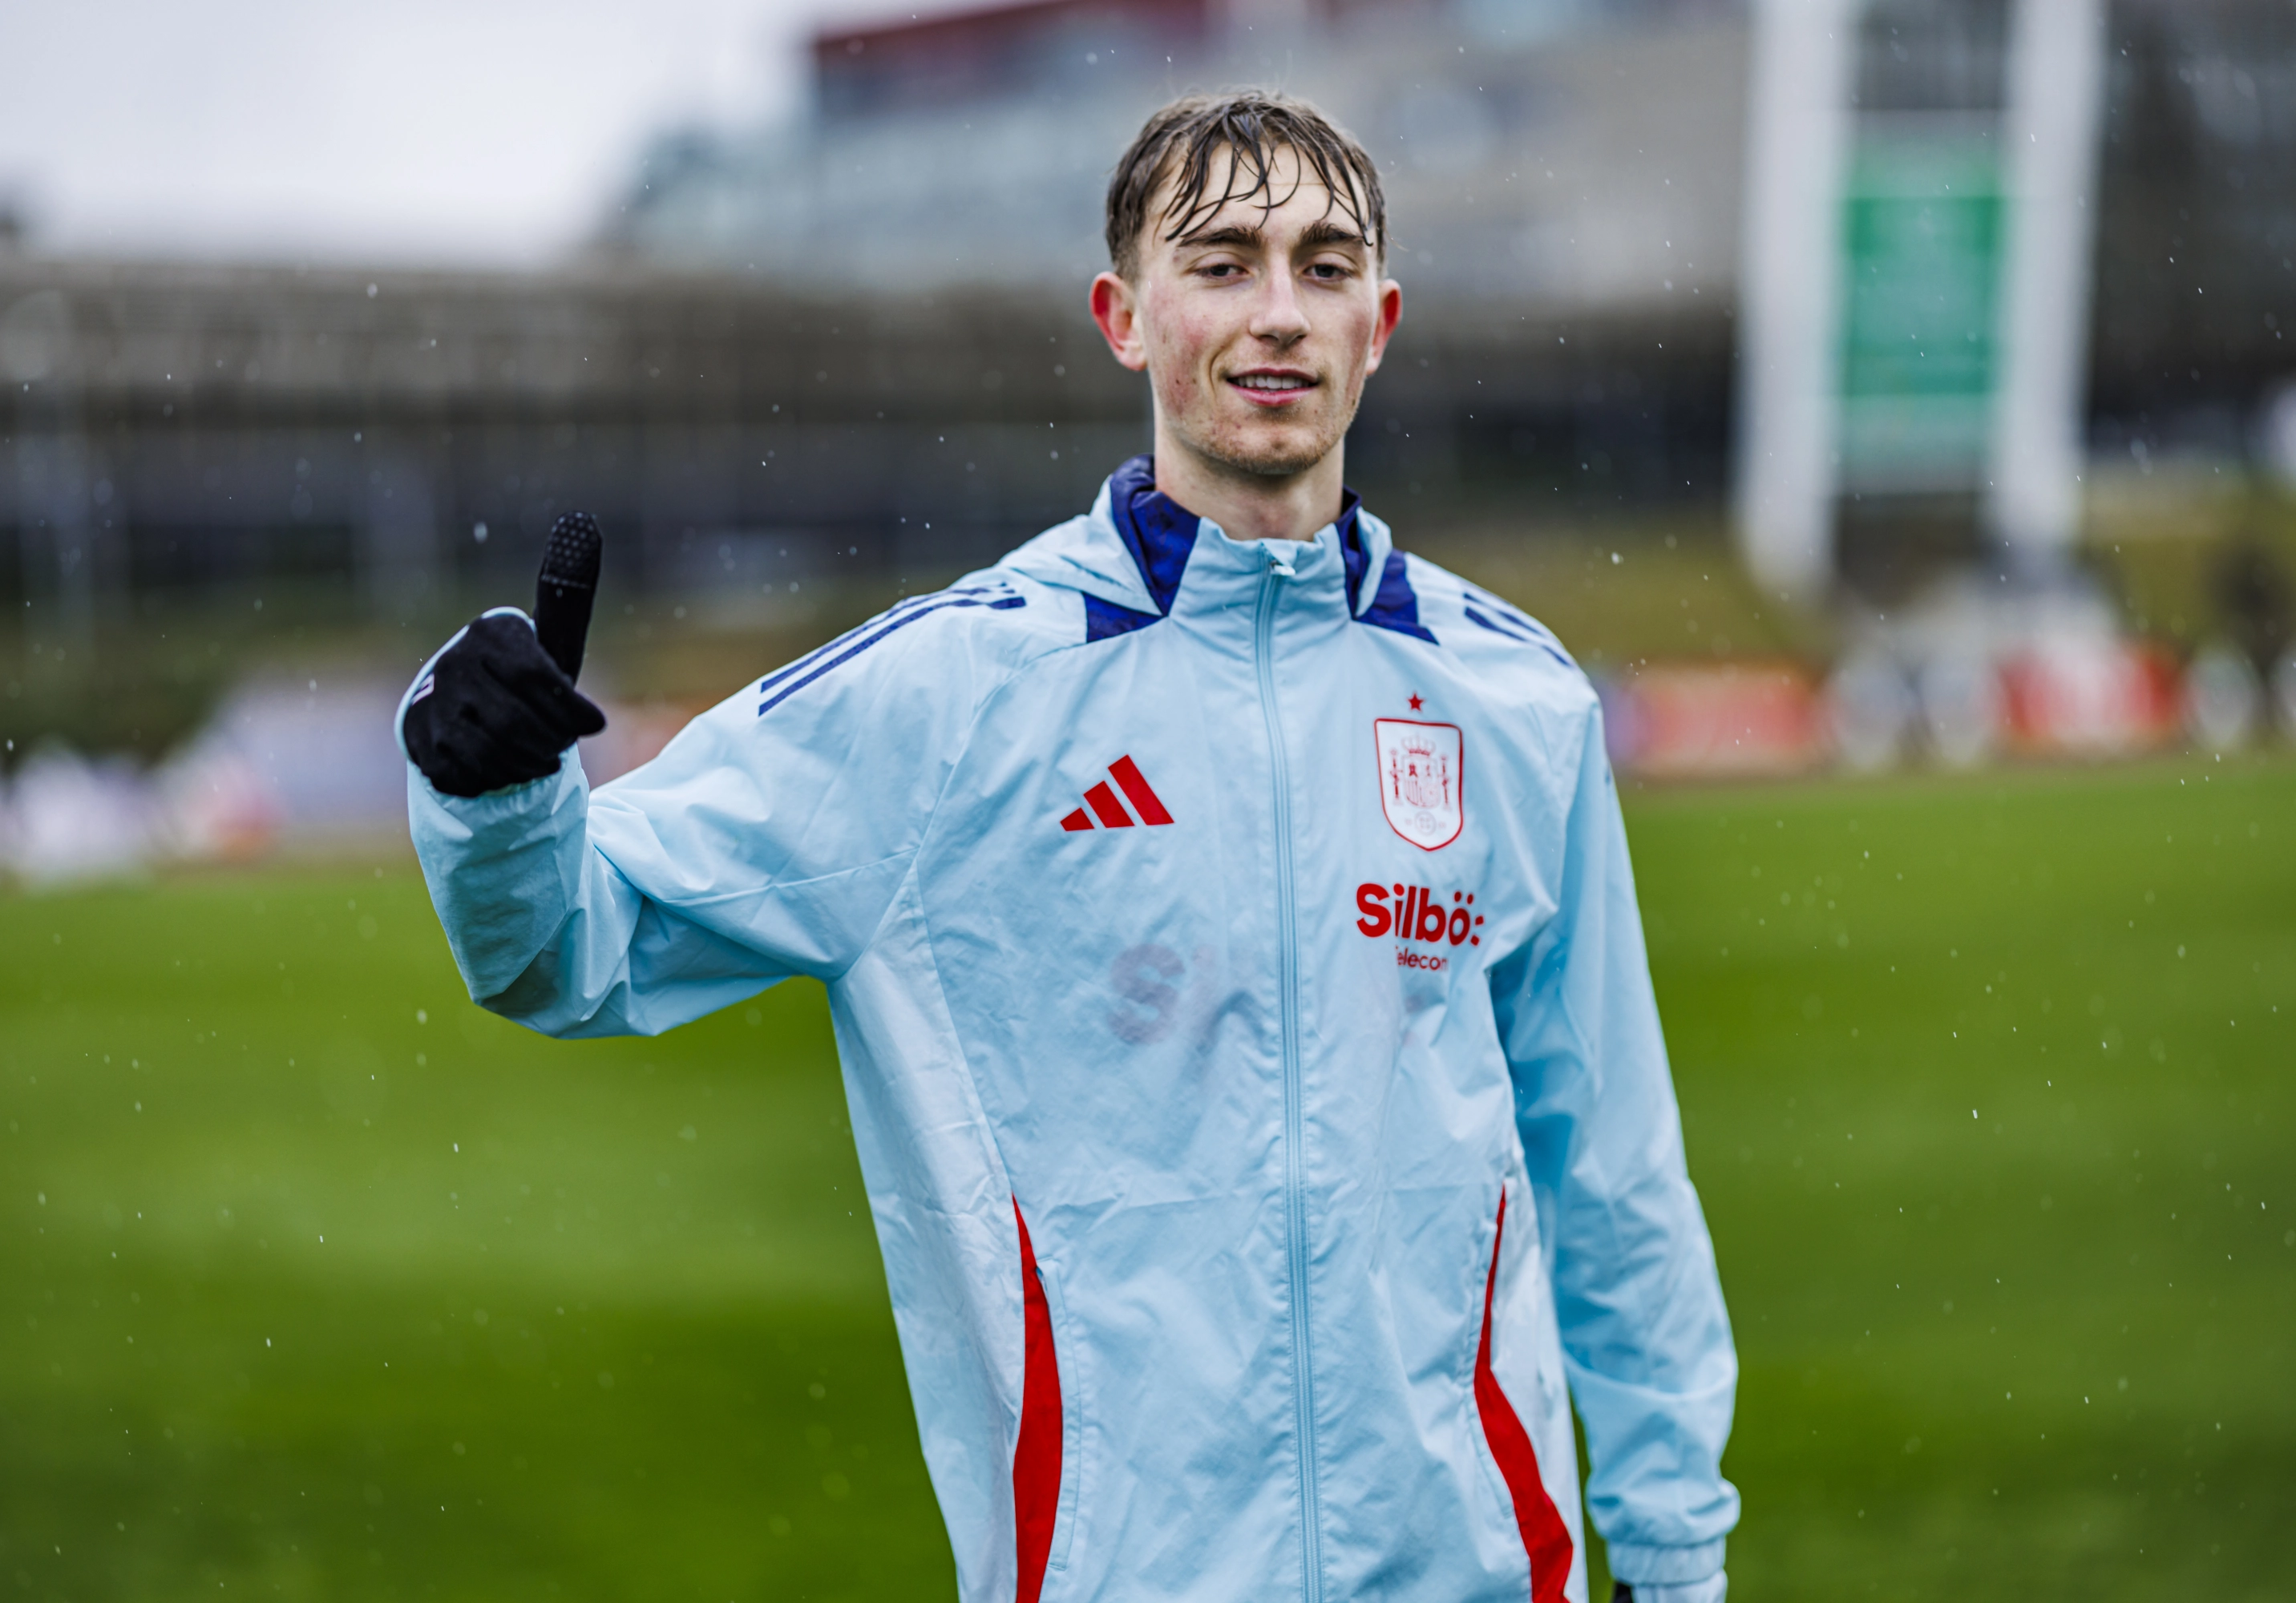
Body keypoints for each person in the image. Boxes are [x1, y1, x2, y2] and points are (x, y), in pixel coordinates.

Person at [400, 92, 1737, 1603]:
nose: (1279, 314)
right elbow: (568, 946)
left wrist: (1676, 1550)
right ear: (1124, 313)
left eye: (1325, 263)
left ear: (1386, 317)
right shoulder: (948, 697)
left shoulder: (1518, 700)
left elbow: (1610, 1169)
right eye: (1222, 263)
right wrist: (495, 795)